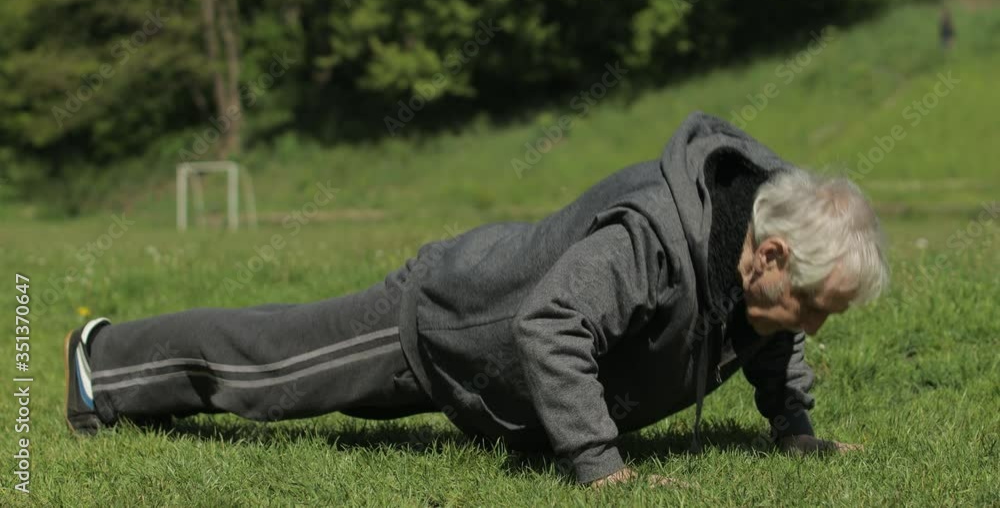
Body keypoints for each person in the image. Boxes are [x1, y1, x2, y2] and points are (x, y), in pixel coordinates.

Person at [64, 112, 889, 487]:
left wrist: (794, 429)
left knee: (277, 375)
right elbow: (552, 323)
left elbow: (769, 334)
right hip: (447, 321)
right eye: (816, 303)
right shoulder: (655, 235)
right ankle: (101, 365)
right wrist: (600, 467)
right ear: (770, 255)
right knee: (271, 370)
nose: (814, 326)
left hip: (496, 384)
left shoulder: (754, 254)